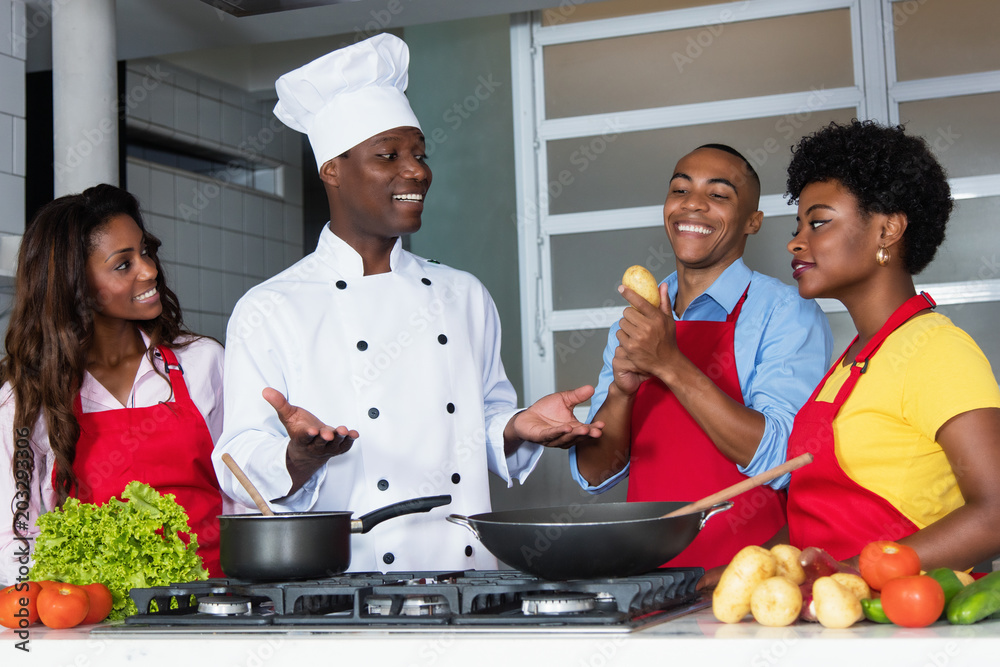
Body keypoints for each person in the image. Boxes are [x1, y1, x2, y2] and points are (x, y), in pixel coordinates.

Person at [214, 33, 602, 573]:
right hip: (348, 588)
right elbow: (236, 461)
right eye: (388, 155)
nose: (417, 171)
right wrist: (295, 456)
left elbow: (481, 419)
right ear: (332, 168)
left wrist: (515, 427)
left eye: (419, 153)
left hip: (468, 579)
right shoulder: (271, 308)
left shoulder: (463, 294)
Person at [569, 144, 833, 569]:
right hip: (649, 576)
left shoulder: (786, 311)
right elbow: (595, 476)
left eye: (719, 194)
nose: (693, 204)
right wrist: (621, 395)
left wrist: (669, 364)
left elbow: (784, 461)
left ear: (753, 221)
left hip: (751, 577)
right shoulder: (642, 318)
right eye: (680, 190)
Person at [783, 119, 1000, 570]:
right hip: (833, 620)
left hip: (909, 629)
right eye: (798, 224)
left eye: (818, 222)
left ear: (888, 231)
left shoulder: (937, 351)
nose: (796, 241)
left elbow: (995, 515)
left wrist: (860, 572)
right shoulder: (851, 362)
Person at [0, 184, 228, 584]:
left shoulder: (202, 361)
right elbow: (12, 536)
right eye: (123, 264)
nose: (150, 270)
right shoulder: (25, 399)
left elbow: (243, 493)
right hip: (96, 622)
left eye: (145, 251)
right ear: (76, 285)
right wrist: (77, 590)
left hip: (216, 605)